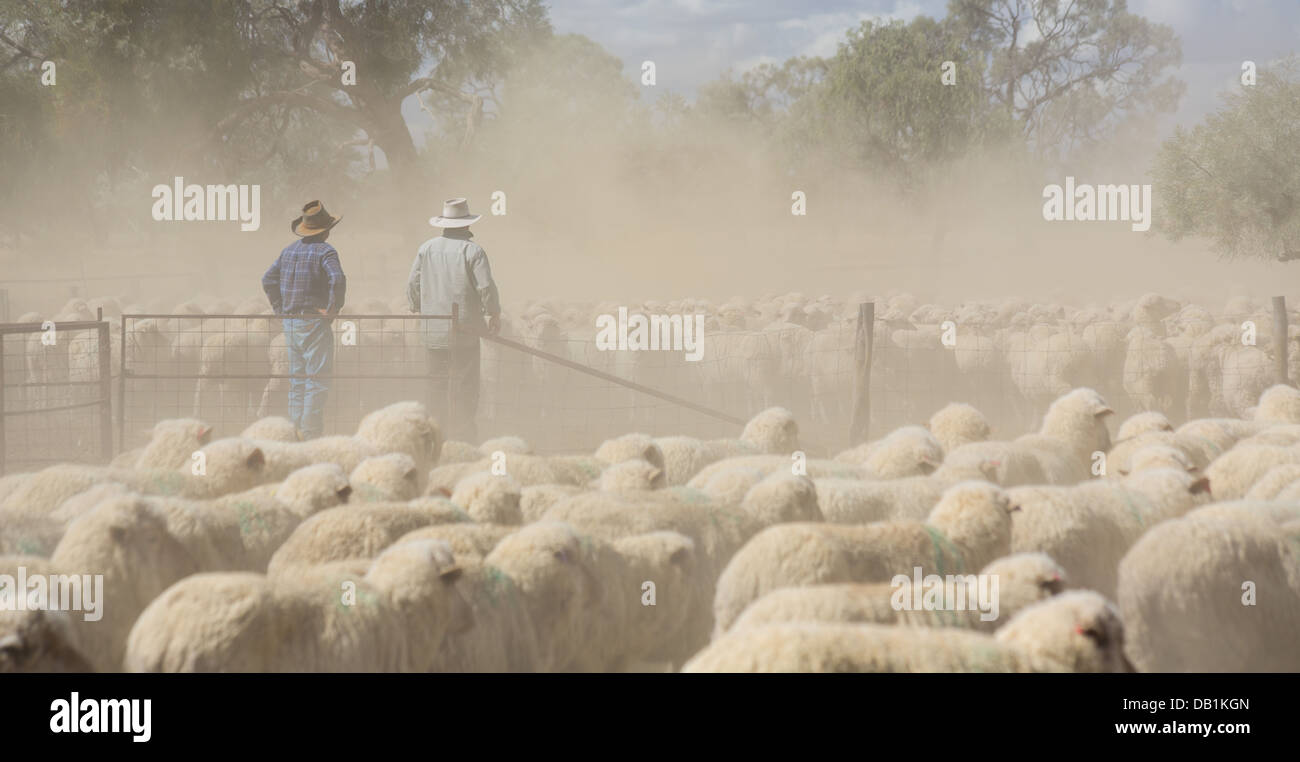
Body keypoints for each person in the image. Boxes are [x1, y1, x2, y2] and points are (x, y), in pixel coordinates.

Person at [407, 197, 501, 443]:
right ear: (467, 224)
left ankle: (435, 438)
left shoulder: (426, 248)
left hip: (433, 329)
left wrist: (417, 306)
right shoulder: (473, 251)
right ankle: (462, 439)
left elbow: (412, 283)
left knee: (435, 386)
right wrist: (494, 312)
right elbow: (486, 287)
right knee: (465, 386)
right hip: (465, 332)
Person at [261, 200, 346, 439]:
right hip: (313, 322)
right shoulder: (326, 251)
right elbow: (337, 279)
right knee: (316, 381)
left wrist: (280, 309)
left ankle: (293, 432)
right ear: (326, 230)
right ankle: (310, 434)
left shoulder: (288, 251)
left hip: (290, 323)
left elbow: (267, 279)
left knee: (297, 380)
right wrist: (332, 309)